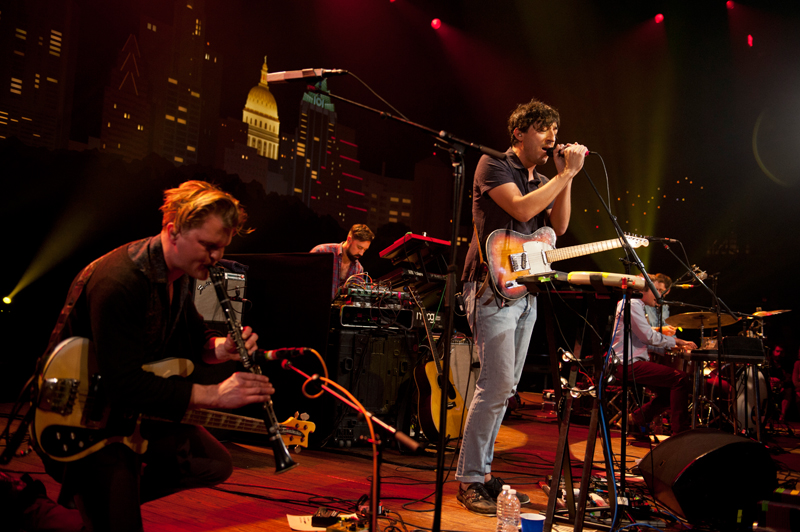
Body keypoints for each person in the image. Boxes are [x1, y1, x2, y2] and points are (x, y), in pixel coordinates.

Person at [38, 180, 274, 531]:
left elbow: (195, 341)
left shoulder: (180, 273)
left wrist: (221, 349)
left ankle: (101, 505)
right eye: (208, 246)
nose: (216, 258)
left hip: (129, 412)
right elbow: (125, 385)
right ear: (172, 231)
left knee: (212, 463)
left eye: (221, 248)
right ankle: (96, 500)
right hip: (85, 419)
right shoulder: (121, 281)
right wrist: (213, 395)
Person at [456, 98, 588, 515]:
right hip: (489, 287)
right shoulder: (492, 164)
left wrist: (568, 179)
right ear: (519, 132)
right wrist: (565, 172)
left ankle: (483, 472)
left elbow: (559, 226)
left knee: (506, 389)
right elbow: (522, 208)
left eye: (555, 129)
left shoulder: (543, 177)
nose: (552, 136)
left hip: (524, 291)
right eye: (543, 129)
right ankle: (470, 479)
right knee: (494, 386)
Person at [610, 275, 697, 436]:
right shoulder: (631, 304)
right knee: (680, 379)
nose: (660, 296)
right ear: (644, 288)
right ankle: (681, 433)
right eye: (658, 290)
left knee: (667, 393)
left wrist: (674, 345)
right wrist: (675, 341)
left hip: (630, 362)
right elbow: (648, 336)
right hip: (625, 364)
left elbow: (644, 340)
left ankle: (636, 418)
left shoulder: (636, 305)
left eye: (663, 292)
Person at [310, 223, 374, 301]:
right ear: (349, 240)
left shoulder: (358, 269)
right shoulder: (321, 252)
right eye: (359, 247)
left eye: (364, 249)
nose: (361, 253)